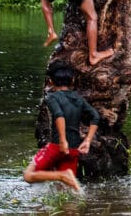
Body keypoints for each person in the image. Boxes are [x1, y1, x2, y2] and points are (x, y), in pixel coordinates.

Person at [23, 63, 100, 192]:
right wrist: (87, 141)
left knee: (28, 175)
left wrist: (62, 141)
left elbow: (59, 115)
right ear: (73, 81)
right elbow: (95, 116)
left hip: (57, 146)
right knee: (64, 191)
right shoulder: (79, 99)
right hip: (74, 149)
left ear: (50, 81)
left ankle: (61, 175)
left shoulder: (51, 97)